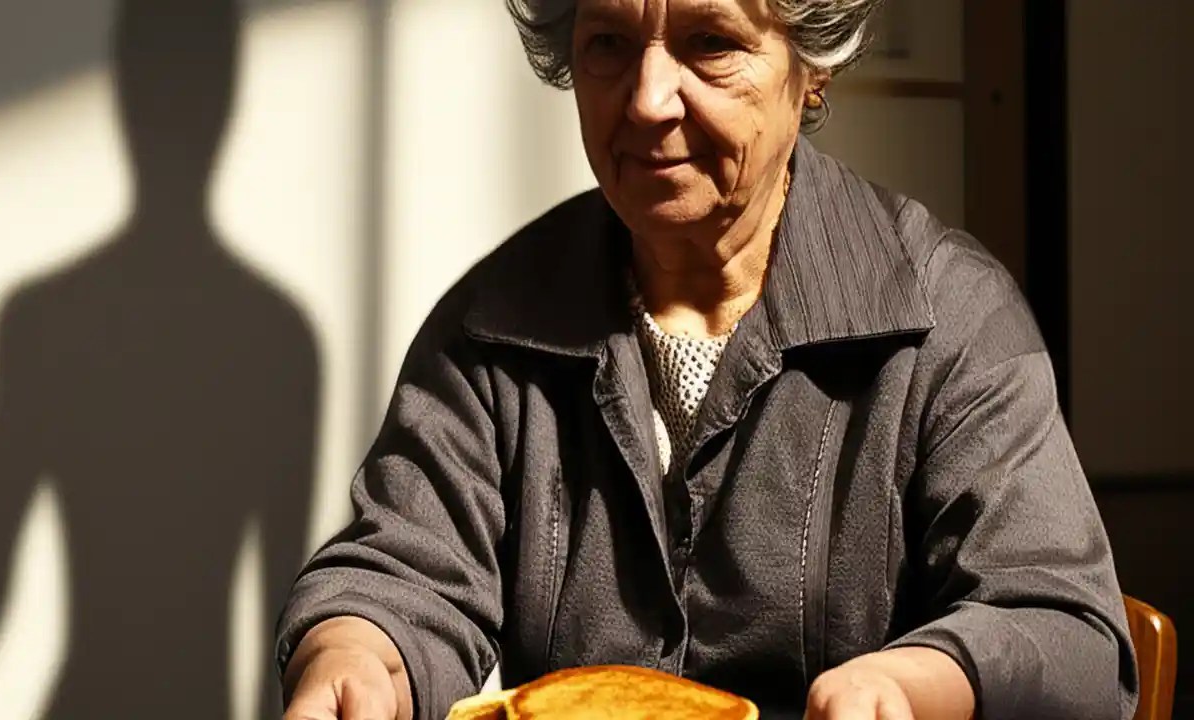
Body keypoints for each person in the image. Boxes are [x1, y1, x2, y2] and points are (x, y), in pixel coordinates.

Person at [277, 0, 1139, 718]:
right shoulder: (491, 325)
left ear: (812, 67)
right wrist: (355, 648)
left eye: (712, 43)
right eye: (610, 42)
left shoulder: (948, 318)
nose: (648, 99)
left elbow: (1068, 634)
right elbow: (403, 574)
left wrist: (909, 685)